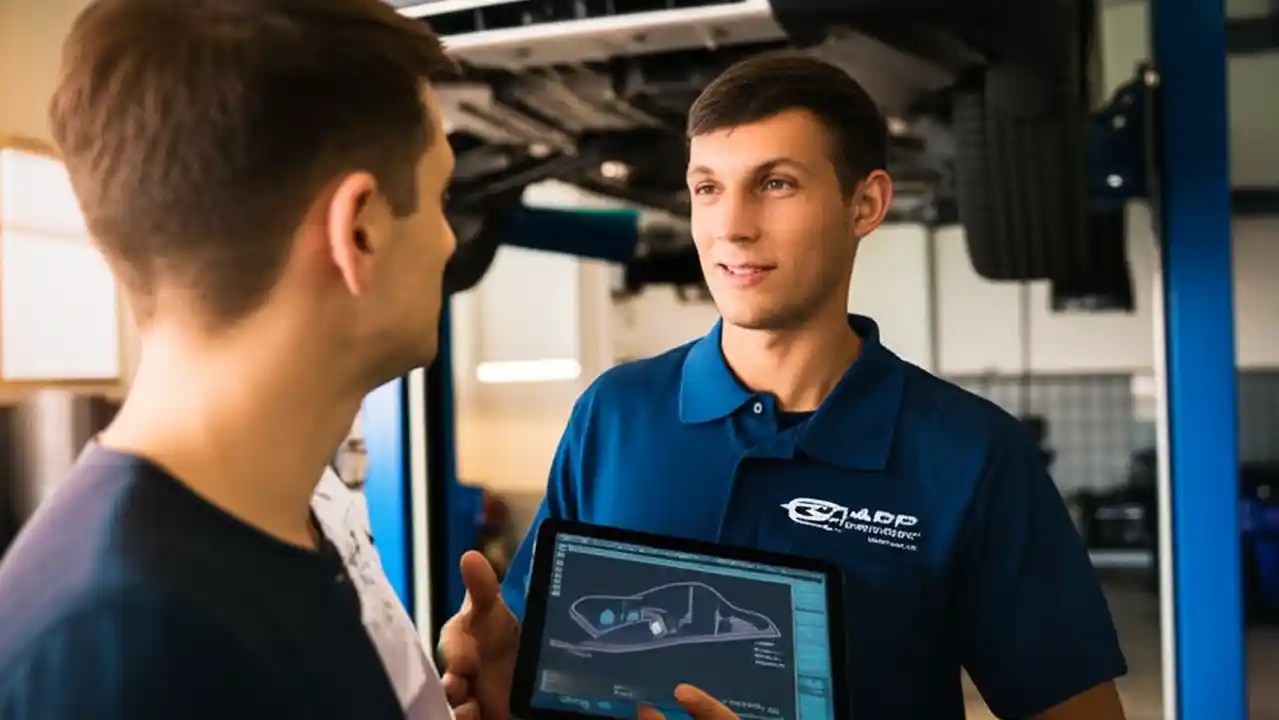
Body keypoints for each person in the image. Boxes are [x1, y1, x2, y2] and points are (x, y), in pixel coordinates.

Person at [440, 54, 1129, 719]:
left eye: (775, 183)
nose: (732, 227)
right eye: (709, 187)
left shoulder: (972, 457)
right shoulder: (615, 414)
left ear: (865, 204)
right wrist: (506, 679)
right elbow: (557, 660)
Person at [0, 1, 461, 717]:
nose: (450, 241)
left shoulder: (274, 542)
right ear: (360, 230)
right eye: (440, 198)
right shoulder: (126, 649)